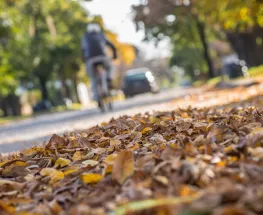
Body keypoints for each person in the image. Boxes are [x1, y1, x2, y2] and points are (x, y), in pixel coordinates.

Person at [81, 23, 117, 107]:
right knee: (110, 66)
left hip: (90, 60)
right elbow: (112, 46)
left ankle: (97, 98)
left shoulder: (85, 37)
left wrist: (84, 60)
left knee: (93, 78)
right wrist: (114, 55)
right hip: (103, 57)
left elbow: (83, 50)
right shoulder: (101, 35)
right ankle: (109, 78)